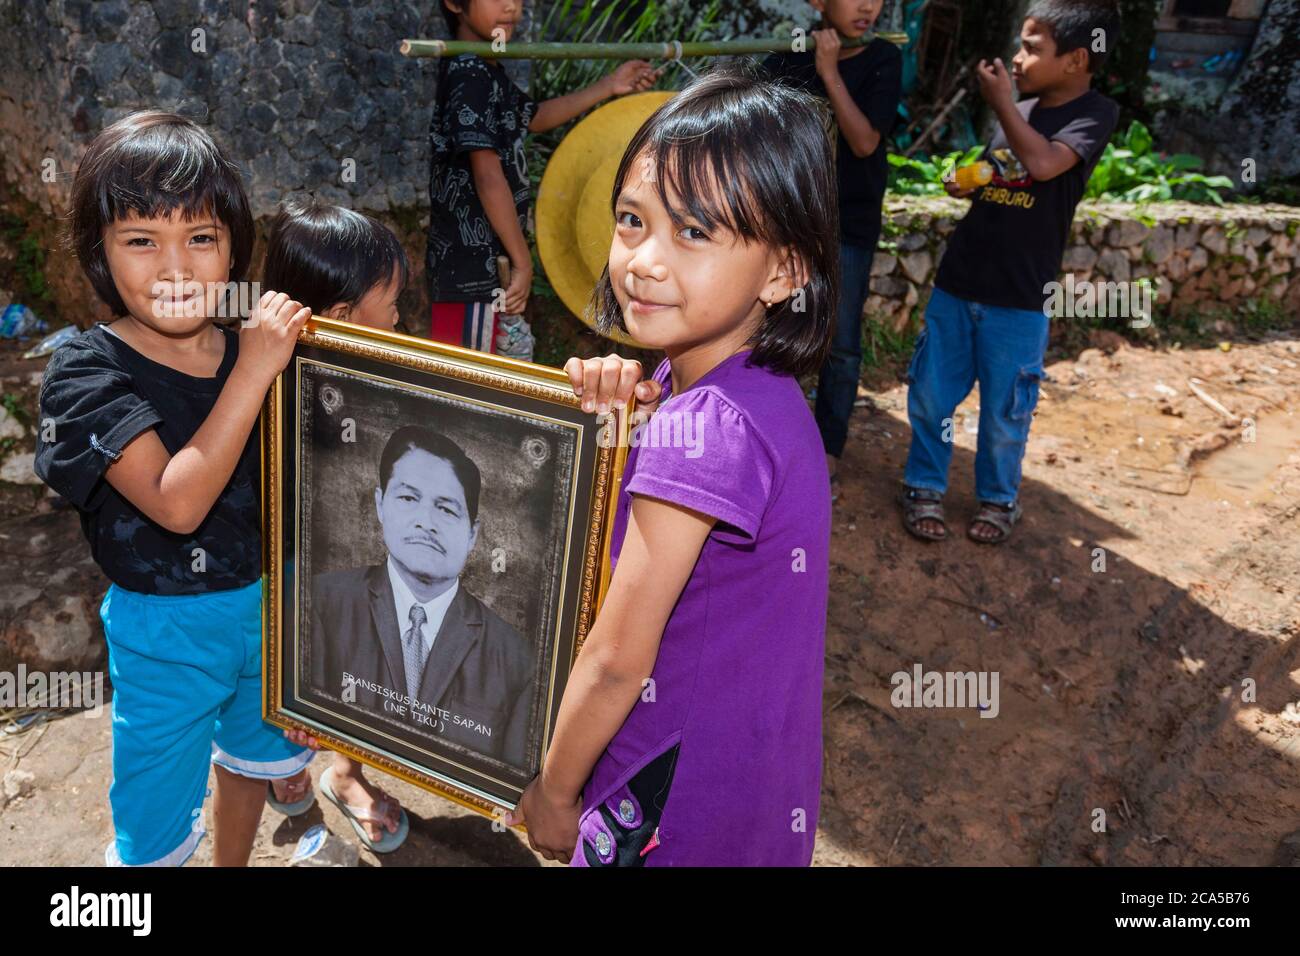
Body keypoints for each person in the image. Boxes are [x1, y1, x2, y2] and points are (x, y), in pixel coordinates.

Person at [505, 69, 837, 866]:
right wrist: (620, 422)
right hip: (744, 787)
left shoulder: (707, 428)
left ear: (785, 272)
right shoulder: (737, 391)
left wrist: (554, 790)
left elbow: (617, 661)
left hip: (669, 805)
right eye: (632, 221)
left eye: (693, 233)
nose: (645, 260)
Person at [34, 111, 313, 866]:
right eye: (140, 241)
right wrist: (255, 371)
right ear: (99, 253)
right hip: (165, 636)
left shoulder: (260, 345)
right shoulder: (85, 373)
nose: (177, 267)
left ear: (233, 245)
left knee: (252, 762)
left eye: (200, 237)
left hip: (272, 608)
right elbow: (175, 500)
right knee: (153, 830)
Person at [901, 0, 1120, 544]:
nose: (1017, 59)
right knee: (930, 395)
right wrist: (966, 178)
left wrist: (1001, 103)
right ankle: (924, 486)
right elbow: (1000, 168)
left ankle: (998, 499)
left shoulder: (1093, 114)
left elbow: (1044, 164)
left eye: (1032, 48)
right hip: (960, 281)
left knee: (1005, 415)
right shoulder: (1016, 110)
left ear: (1075, 60)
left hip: (1020, 299)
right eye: (1020, 45)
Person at [258, 199, 411, 852]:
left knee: (366, 679)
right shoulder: (258, 391)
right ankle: (285, 776)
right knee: (283, 716)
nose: (403, 318)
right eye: (394, 306)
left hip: (361, 578)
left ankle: (345, 773)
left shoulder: (393, 383)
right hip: (288, 584)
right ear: (346, 319)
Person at [428, 0, 660, 353]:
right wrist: (522, 262)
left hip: (485, 267)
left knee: (487, 379)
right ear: (454, 4)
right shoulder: (469, 74)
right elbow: (488, 175)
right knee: (466, 386)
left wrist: (611, 85)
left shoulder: (485, 69)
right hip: (470, 271)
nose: (511, 7)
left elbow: (533, 117)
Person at [309, 426, 535, 769]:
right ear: (380, 504)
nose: (426, 522)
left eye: (446, 509)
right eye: (408, 498)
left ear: (472, 534)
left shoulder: (516, 658)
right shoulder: (323, 604)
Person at [762, 0, 902, 500]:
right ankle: (771, 443)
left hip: (849, 226)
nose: (869, 5)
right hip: (791, 222)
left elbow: (864, 142)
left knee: (839, 344)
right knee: (773, 331)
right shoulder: (787, 52)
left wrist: (828, 70)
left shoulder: (883, 57)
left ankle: (827, 451)